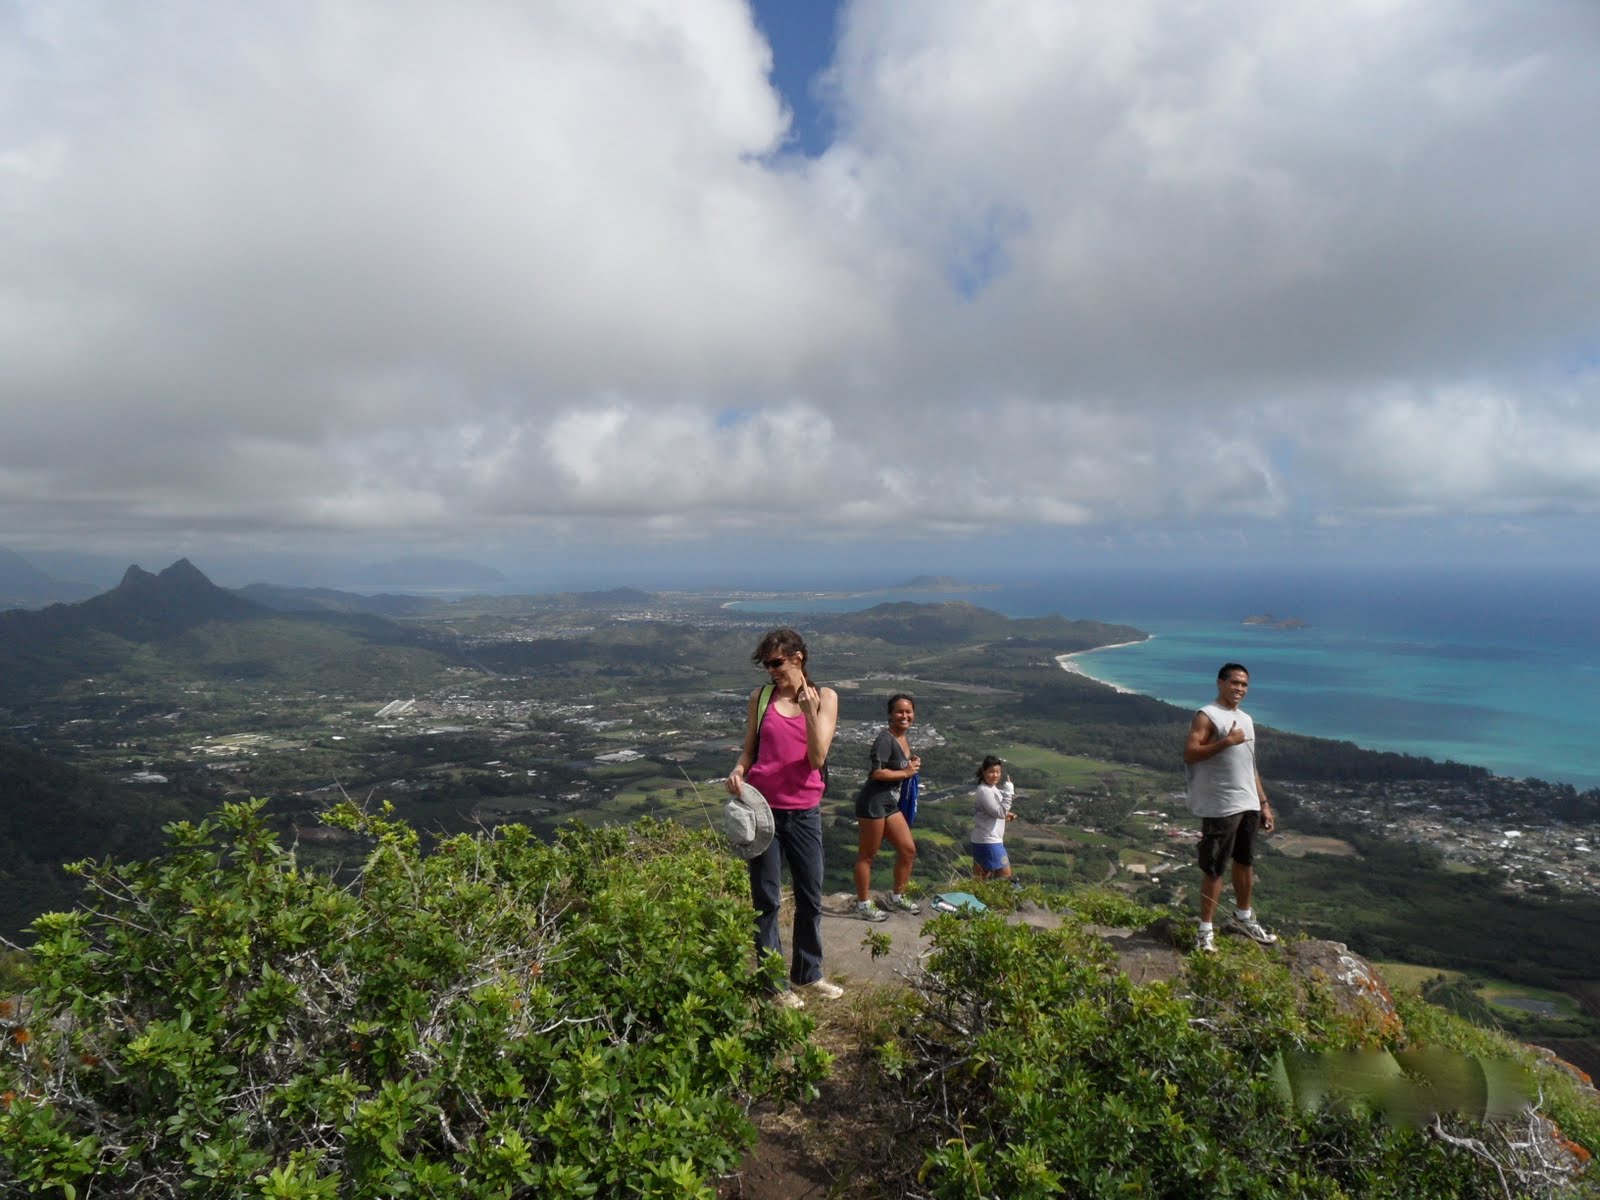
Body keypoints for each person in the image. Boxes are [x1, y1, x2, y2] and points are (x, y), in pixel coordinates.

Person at [725, 628, 843, 1008]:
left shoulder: (825, 698)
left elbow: (817, 758)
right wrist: (738, 771)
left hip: (804, 810)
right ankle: (774, 985)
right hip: (762, 811)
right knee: (767, 898)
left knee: (810, 895)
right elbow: (749, 751)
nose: (771, 671)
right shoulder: (760, 699)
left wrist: (810, 714)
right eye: (767, 665)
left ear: (798, 658)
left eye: (776, 663)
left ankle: (808, 975)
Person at [1184, 662, 1277, 952]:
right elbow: (1190, 753)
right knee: (1214, 867)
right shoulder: (1207, 715)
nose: (1240, 689)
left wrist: (1263, 803)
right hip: (1221, 804)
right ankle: (1205, 931)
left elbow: (1250, 765)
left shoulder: (1246, 720)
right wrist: (1226, 742)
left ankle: (1243, 917)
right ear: (1220, 683)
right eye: (1235, 683)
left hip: (1248, 801)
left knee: (1245, 862)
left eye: (1244, 685)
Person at [853, 693, 921, 919]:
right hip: (872, 803)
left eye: (908, 711)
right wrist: (906, 771)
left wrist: (910, 766)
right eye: (899, 712)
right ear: (890, 715)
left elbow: (900, 768)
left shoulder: (902, 738)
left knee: (908, 850)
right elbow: (876, 772)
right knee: (867, 855)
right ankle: (863, 904)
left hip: (889, 803)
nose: (904, 716)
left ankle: (898, 897)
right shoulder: (885, 738)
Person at [969, 755, 1016, 881]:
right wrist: (1009, 793)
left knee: (980, 879)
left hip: (986, 840)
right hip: (989, 841)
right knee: (1005, 876)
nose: (995, 775)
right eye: (991, 772)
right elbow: (999, 812)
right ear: (983, 772)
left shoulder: (991, 788)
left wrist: (1006, 814)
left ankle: (974, 899)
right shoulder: (984, 790)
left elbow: (995, 811)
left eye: (998, 772)